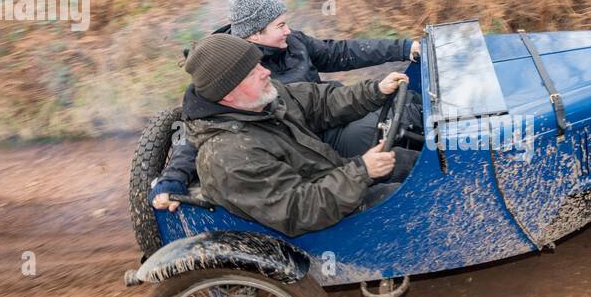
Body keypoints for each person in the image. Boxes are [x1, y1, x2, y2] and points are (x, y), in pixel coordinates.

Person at [152, 0, 421, 207]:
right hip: (306, 145)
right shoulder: (227, 73)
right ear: (256, 34)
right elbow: (198, 132)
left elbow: (337, 54)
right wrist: (172, 180)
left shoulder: (291, 44)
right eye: (280, 25)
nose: (288, 30)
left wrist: (402, 49)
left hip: (326, 114)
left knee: (406, 103)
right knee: (388, 132)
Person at [170, 33, 417, 236]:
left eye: (258, 64)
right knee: (414, 198)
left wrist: (375, 90)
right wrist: (362, 172)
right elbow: (299, 210)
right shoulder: (229, 155)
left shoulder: (263, 99)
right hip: (320, 219)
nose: (265, 71)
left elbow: (322, 102)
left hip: (330, 179)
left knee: (416, 164)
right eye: (251, 72)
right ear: (228, 94)